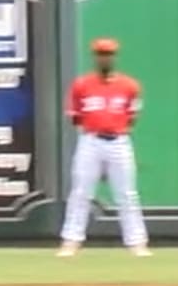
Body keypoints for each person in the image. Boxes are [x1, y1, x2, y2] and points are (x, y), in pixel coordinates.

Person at [58, 37, 151, 257]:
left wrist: (113, 129)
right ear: (95, 57)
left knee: (127, 194)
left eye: (108, 54)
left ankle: (137, 243)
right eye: (100, 54)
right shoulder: (82, 85)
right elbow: (75, 117)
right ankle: (70, 242)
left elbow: (132, 117)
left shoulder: (129, 86)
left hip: (119, 141)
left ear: (114, 57)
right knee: (81, 192)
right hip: (90, 140)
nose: (104, 58)